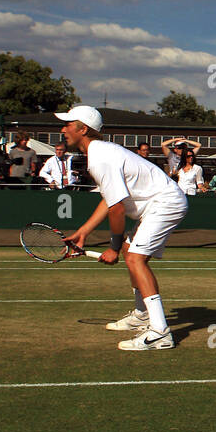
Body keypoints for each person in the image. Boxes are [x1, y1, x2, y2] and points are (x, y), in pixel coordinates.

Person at [58, 105, 187, 351]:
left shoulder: (100, 157)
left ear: (82, 129)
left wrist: (113, 248)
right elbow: (109, 199)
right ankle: (142, 314)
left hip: (165, 203)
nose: (63, 129)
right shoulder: (99, 153)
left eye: (68, 124)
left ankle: (160, 332)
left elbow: (117, 209)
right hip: (157, 203)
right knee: (132, 253)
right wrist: (84, 231)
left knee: (134, 258)